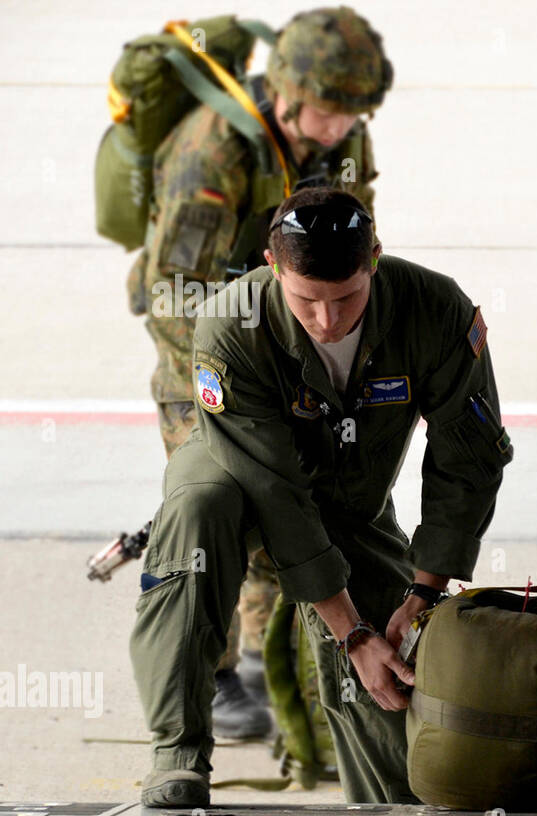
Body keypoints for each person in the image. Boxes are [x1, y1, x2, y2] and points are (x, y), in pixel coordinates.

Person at [130, 187, 512, 807]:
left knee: (399, 699)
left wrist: (421, 594)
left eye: (348, 298)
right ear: (272, 265)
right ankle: (178, 753)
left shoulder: (435, 310)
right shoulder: (232, 324)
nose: (328, 320)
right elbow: (275, 492)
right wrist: (352, 631)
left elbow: (467, 462)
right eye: (307, 300)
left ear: (375, 261)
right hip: (242, 478)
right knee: (196, 513)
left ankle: (387, 815)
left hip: (352, 501)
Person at [125, 6, 393, 737]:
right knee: (215, 515)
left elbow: (358, 242)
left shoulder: (344, 137)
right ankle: (205, 682)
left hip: (291, 342)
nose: (339, 126)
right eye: (327, 108)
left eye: (352, 111)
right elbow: (175, 294)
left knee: (293, 507)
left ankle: (266, 666)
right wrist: (233, 388)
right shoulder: (210, 154)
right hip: (201, 360)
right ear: (286, 87)